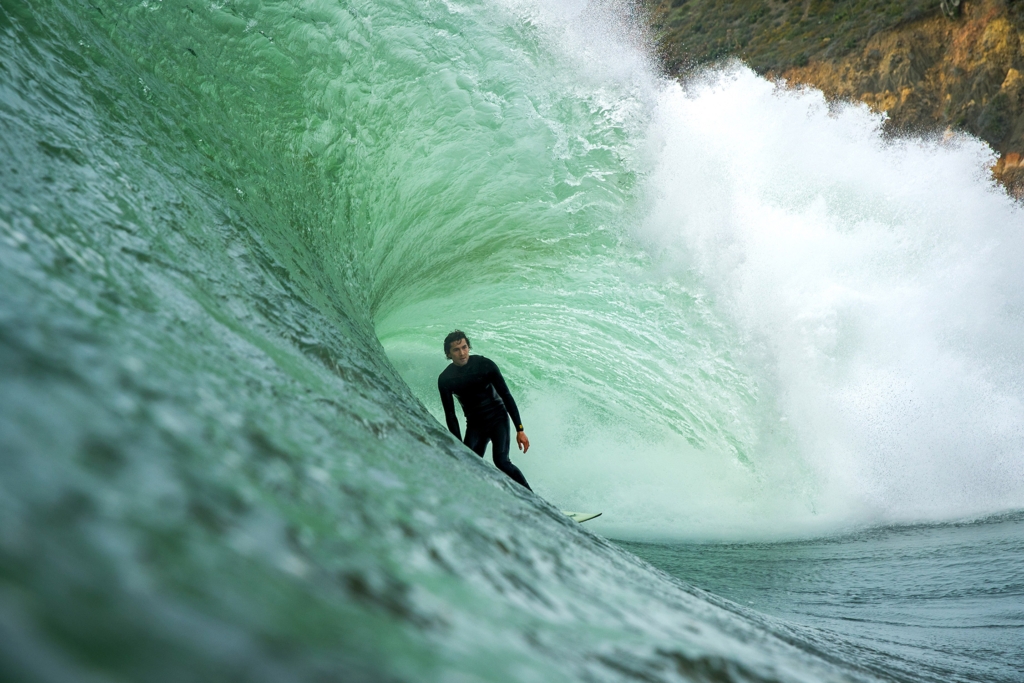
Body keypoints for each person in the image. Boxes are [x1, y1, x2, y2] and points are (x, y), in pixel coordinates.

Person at [437, 330, 533, 490]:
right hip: (475, 425)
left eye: (464, 347)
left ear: (468, 347)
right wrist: (458, 445)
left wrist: (520, 429)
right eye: (456, 349)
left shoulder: (485, 365)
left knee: (501, 461)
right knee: (466, 464)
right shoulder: (445, 379)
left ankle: (533, 498)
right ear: (448, 353)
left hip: (497, 418)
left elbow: (506, 396)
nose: (462, 353)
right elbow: (451, 415)